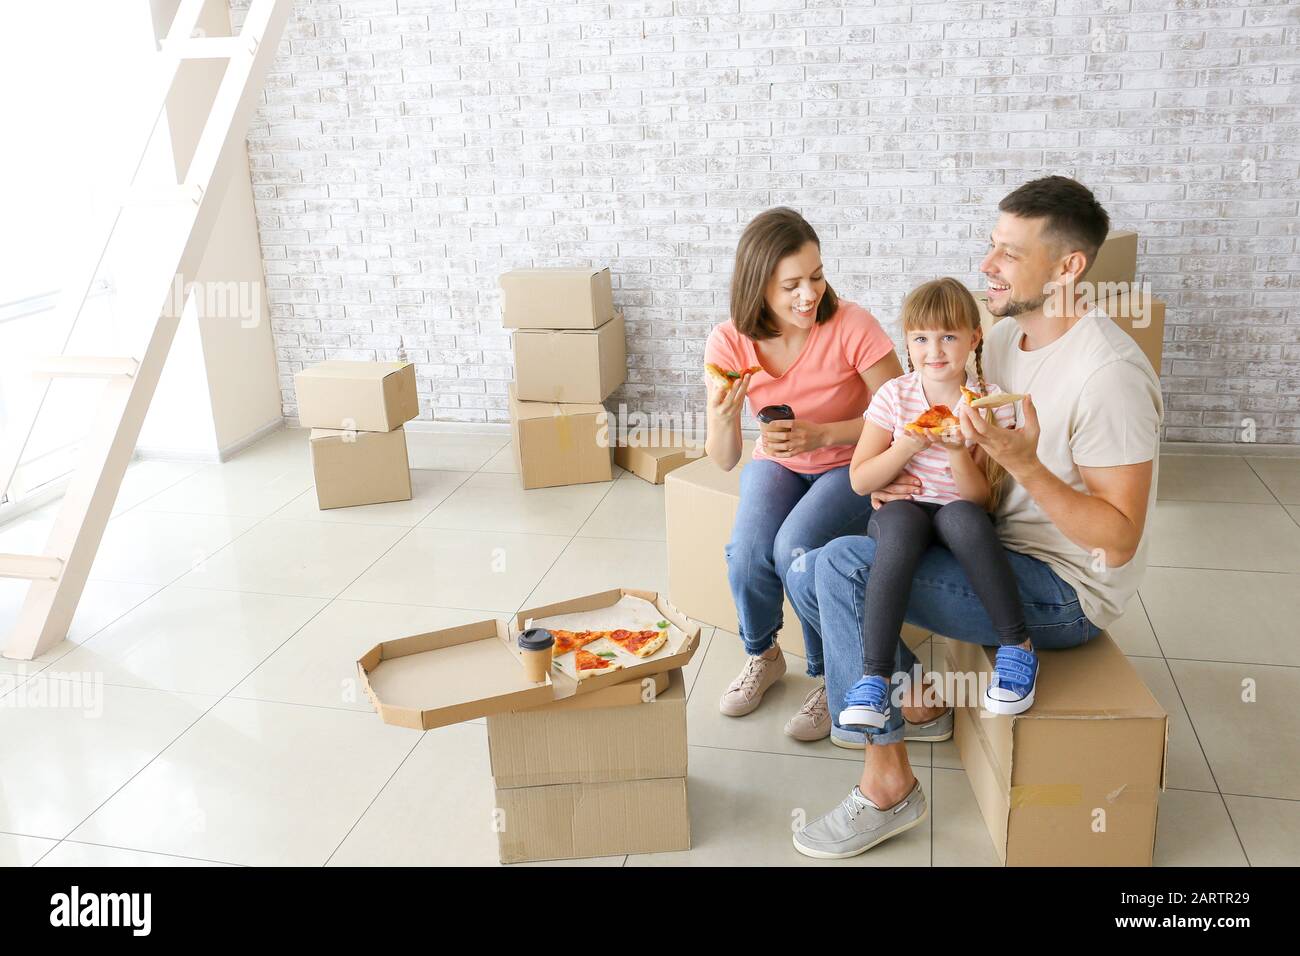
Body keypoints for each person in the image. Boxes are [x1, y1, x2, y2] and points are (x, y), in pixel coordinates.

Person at [786, 176, 1164, 860]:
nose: (987, 264)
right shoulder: (1003, 338)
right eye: (990, 246)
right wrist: (889, 479)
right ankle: (918, 702)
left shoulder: (1108, 374)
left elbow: (1118, 536)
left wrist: (1020, 465)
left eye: (1008, 253)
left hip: (1061, 589)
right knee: (808, 561)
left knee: (837, 568)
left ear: (1069, 267)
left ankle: (886, 784)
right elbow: (927, 417)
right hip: (988, 538)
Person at [704, 207, 903, 739]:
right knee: (747, 554)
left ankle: (827, 674)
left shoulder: (852, 325)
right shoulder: (729, 342)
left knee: (794, 549)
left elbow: (904, 418)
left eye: (816, 276)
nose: (809, 294)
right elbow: (723, 458)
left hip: (852, 463)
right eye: (790, 284)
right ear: (758, 287)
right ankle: (763, 654)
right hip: (780, 463)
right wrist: (724, 418)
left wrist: (825, 434)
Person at [839, 277, 1033, 739]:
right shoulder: (894, 396)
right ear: (907, 342)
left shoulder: (988, 403)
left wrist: (954, 451)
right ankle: (874, 678)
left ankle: (1017, 645)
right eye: (921, 338)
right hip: (902, 508)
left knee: (965, 519)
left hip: (957, 508)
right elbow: (860, 478)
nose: (935, 350)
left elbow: (979, 499)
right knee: (901, 528)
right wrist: (907, 445)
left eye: (948, 336)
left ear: (974, 337)